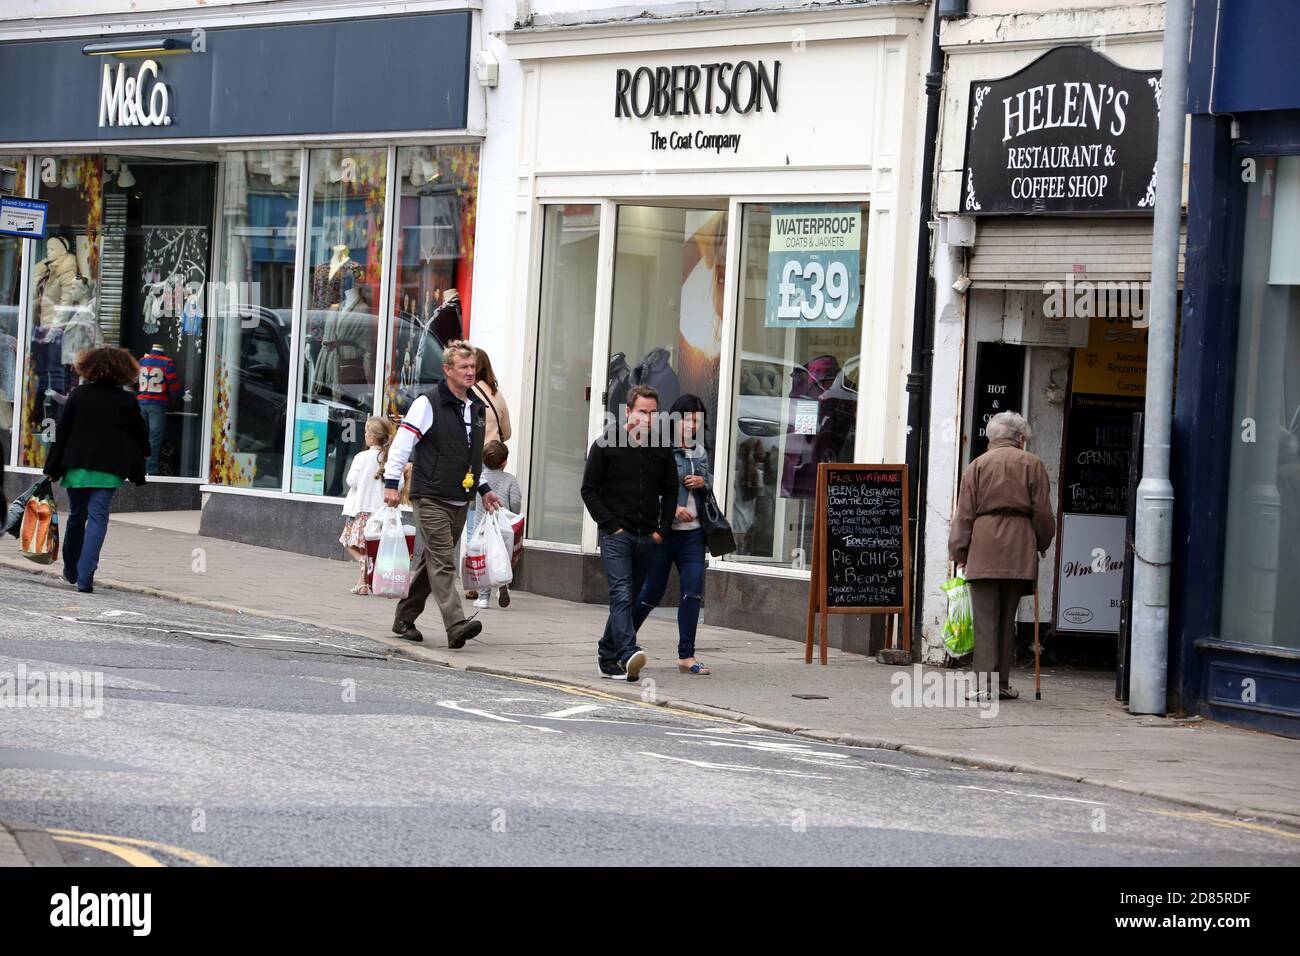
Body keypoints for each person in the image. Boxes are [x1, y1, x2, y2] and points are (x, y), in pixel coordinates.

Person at [383, 341, 501, 649]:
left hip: (460, 499)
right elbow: (401, 446)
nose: (470, 372)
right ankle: (456, 624)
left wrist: (484, 489)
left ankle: (404, 618)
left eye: (473, 367)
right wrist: (391, 483)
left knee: (432, 562)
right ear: (447, 370)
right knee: (443, 561)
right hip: (431, 496)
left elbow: (472, 456)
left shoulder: (476, 406)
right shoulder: (428, 403)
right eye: (463, 367)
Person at [949, 410, 1056, 701]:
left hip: (982, 548)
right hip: (1019, 548)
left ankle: (983, 684)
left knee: (985, 620)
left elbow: (964, 514)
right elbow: (1043, 513)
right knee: (1008, 620)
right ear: (1020, 438)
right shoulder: (1032, 464)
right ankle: (1002, 684)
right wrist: (1042, 542)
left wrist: (959, 551)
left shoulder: (977, 465)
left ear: (991, 438)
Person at [581, 384, 677, 682]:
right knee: (620, 594)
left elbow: (671, 491)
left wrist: (661, 530)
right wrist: (611, 525)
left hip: (648, 537)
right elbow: (589, 490)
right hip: (617, 536)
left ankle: (607, 656)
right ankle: (627, 651)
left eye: (652, 413)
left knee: (630, 598)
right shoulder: (606, 444)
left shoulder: (661, 448)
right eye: (641, 412)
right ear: (627, 412)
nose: (647, 419)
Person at [43, 346, 150, 593]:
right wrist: (145, 452)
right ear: (125, 371)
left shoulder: (78, 395)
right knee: (98, 519)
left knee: (77, 518)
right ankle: (85, 576)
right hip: (109, 469)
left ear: (88, 366)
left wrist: (51, 468)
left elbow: (62, 432)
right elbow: (140, 433)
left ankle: (70, 569)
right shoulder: (127, 400)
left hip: (77, 465)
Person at [632, 394, 713, 675]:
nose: (693, 425)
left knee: (692, 592)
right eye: (688, 419)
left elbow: (709, 484)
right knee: (651, 593)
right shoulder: (658, 448)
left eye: (697, 420)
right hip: (664, 533)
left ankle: (686, 656)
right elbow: (646, 489)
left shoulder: (700, 451)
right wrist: (673, 508)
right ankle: (620, 640)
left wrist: (704, 482)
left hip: (694, 534)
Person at [340, 416, 394, 595]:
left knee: (350, 543)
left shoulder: (361, 457)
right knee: (369, 546)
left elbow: (351, 481)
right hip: (380, 512)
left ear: (371, 437)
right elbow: (399, 484)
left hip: (360, 509)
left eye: (365, 432)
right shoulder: (389, 458)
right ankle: (363, 583)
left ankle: (363, 562)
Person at [472, 439, 522, 610]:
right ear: (505, 462)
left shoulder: (481, 480)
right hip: (504, 528)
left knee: (486, 560)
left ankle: (483, 598)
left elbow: (473, 501)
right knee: (501, 558)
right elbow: (515, 502)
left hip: (483, 527)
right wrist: (514, 514)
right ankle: (502, 586)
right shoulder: (510, 480)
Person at [137, 344, 180, 475]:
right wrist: (180, 395)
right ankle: (151, 471)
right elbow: (174, 384)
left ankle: (139, 468)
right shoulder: (167, 362)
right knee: (154, 440)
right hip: (157, 404)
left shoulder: (142, 361)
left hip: (141, 403)